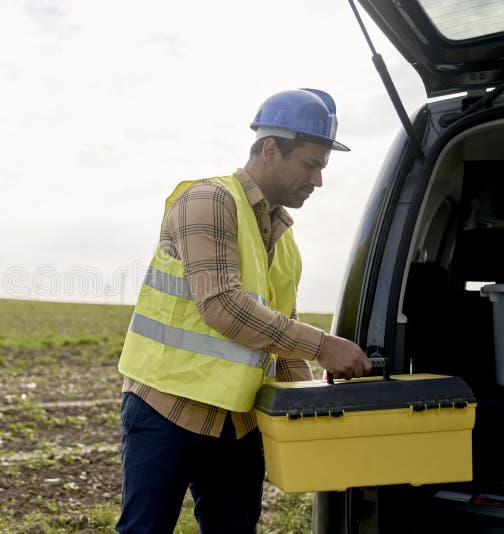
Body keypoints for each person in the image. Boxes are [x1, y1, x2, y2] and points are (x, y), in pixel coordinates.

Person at [116, 88, 372, 533]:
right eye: (310, 165)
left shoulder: (284, 240)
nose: (318, 180)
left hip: (236, 422)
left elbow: (282, 339)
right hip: (167, 409)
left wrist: (312, 410)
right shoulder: (208, 200)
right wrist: (323, 345)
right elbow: (222, 305)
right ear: (271, 150)